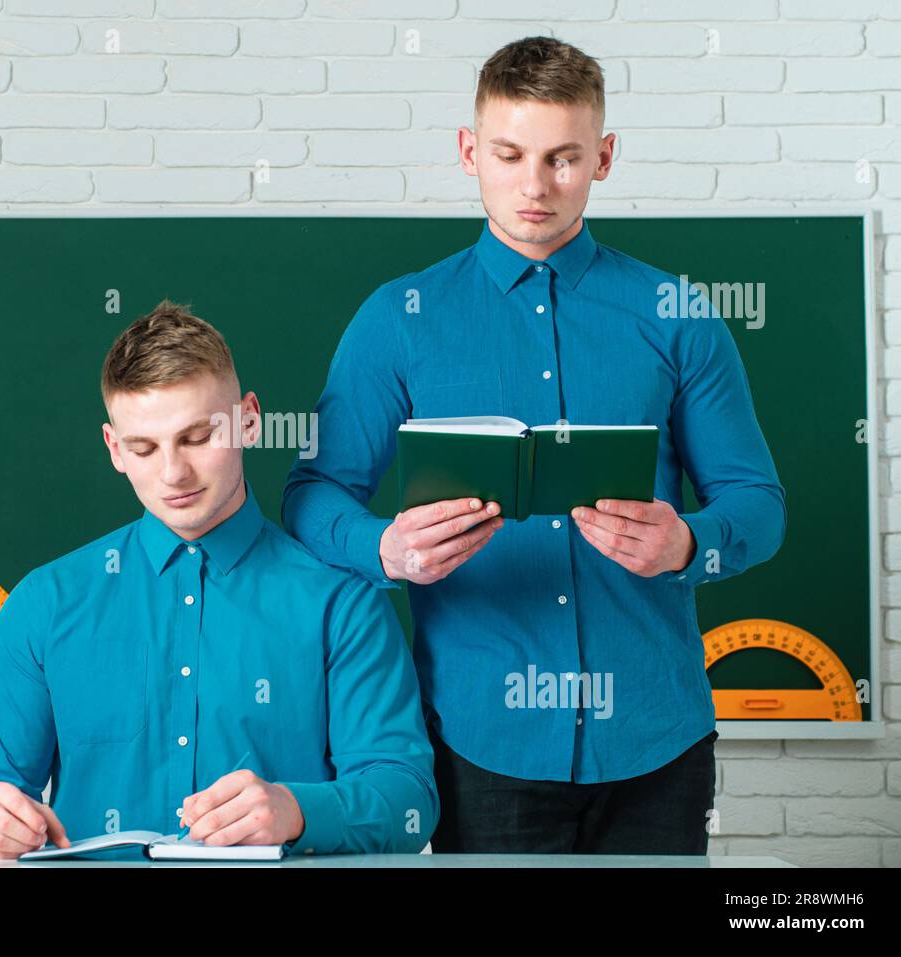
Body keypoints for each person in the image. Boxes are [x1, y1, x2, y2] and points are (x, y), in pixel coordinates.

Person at [282, 36, 786, 855]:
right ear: (468, 151)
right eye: (510, 154)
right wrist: (386, 547)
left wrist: (690, 540)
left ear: (605, 157)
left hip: (659, 737)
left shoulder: (679, 312)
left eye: (564, 158)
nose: (535, 185)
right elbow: (310, 495)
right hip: (477, 743)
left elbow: (759, 505)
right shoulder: (396, 318)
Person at [0, 299, 439, 859]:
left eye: (197, 438)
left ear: (249, 419)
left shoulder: (344, 604)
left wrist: (297, 812)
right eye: (143, 448)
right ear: (113, 449)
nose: (173, 473)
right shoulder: (45, 604)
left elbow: (406, 800)